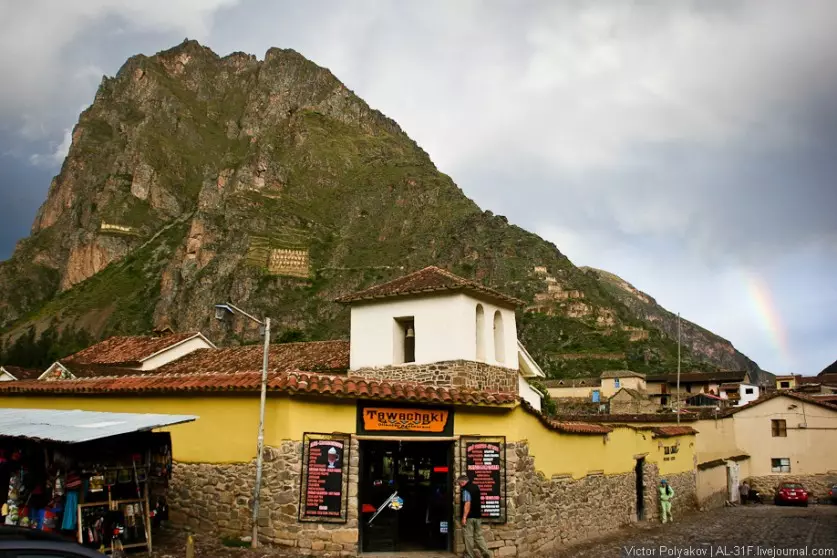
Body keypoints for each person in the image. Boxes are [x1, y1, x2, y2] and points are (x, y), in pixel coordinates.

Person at [457, 475, 490, 558]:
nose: (459, 485)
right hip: (478, 517)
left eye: (459, 483)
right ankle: (486, 553)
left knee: (468, 537)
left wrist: (464, 517)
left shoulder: (466, 490)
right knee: (479, 537)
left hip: (469, 517)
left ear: (462, 482)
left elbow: (467, 503)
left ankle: (469, 556)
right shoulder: (476, 487)